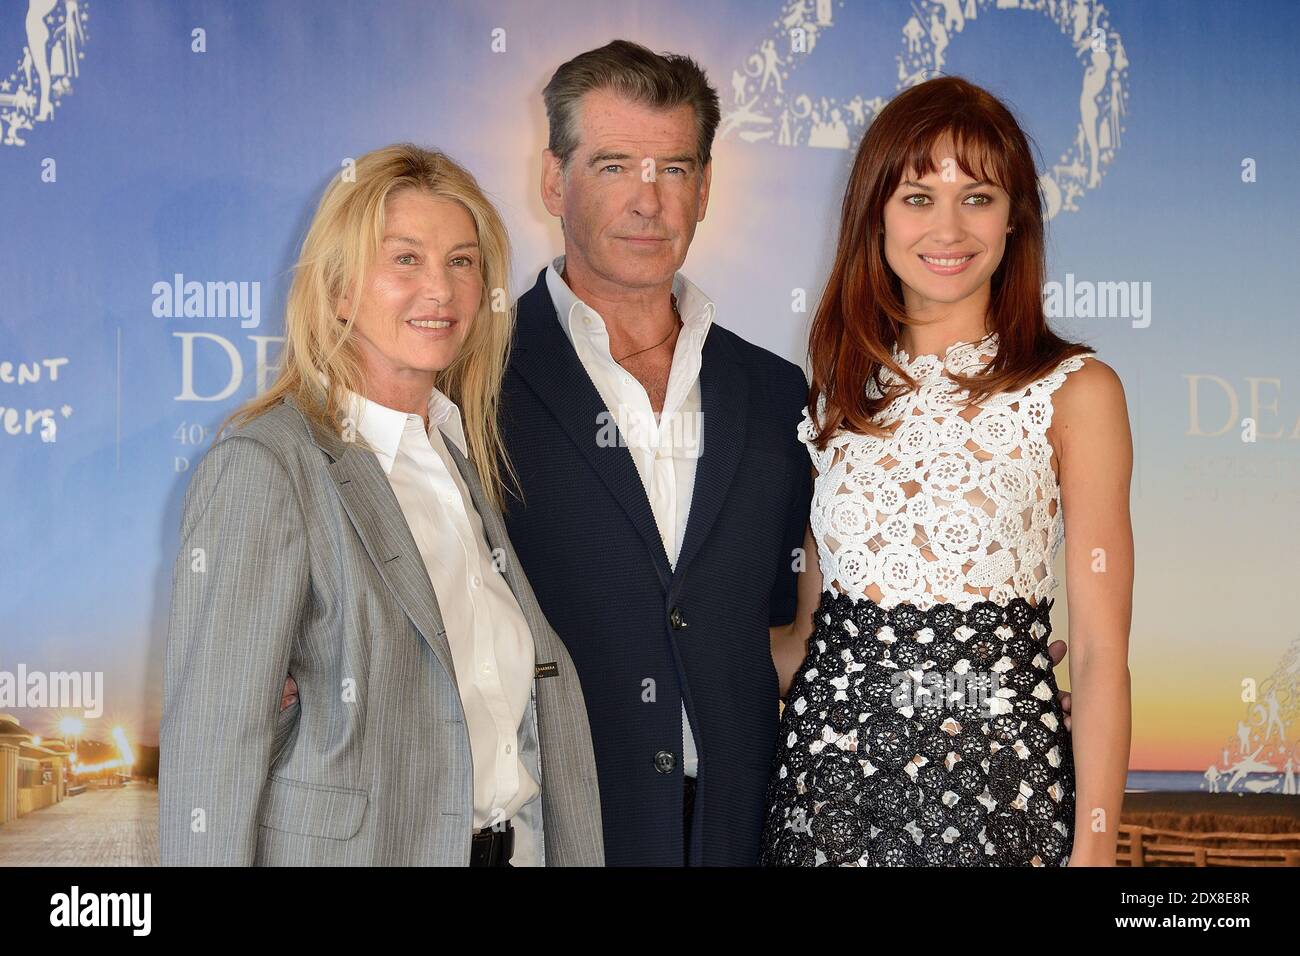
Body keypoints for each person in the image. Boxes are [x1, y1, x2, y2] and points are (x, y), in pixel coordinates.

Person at [159, 144, 603, 867]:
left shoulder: (460, 458)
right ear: (338, 290)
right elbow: (213, 751)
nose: (442, 289)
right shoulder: (267, 468)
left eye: (462, 262)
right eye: (405, 259)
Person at [762, 76, 1133, 867]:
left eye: (979, 196)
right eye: (918, 196)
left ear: (1015, 218)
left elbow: (1100, 653)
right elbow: (806, 639)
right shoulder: (836, 394)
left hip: (1001, 802)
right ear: (876, 215)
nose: (949, 226)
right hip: (827, 804)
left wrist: (1095, 852)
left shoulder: (1074, 390)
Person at [497, 40, 813, 866]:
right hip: (557, 828)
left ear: (704, 190)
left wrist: (978, 668)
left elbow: (801, 628)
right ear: (552, 179)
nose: (648, 201)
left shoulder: (779, 394)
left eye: (673, 169)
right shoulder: (470, 380)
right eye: (613, 165)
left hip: (740, 831)